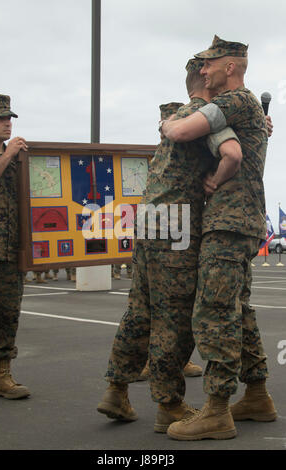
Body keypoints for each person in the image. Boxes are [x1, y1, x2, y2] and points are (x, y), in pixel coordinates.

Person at [97, 59, 242, 433]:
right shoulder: (206, 117)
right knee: (173, 317)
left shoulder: (175, 117)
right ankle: (170, 405)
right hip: (177, 224)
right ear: (208, 82)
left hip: (147, 220)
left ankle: (116, 388)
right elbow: (233, 154)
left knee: (140, 309)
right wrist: (214, 182)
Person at [161, 36, 277, 441]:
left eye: (209, 64)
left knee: (214, 311)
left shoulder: (234, 100)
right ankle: (258, 395)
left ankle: (216, 410)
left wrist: (167, 121)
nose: (203, 71)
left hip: (228, 222)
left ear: (230, 67)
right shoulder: (247, 108)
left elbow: (182, 131)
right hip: (241, 220)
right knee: (238, 309)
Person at [0, 94, 30, 399]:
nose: (7, 122)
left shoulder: (19, 157)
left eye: (9, 117)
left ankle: (2, 376)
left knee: (7, 314)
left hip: (9, 250)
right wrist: (8, 155)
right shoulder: (7, 156)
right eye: (0, 117)